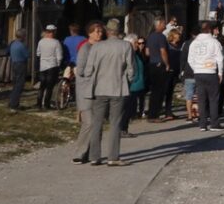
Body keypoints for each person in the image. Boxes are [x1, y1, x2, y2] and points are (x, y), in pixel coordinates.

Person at [72, 22, 132, 166]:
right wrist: (127, 81)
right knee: (111, 123)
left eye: (101, 31)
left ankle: (94, 156)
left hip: (98, 90)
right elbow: (131, 69)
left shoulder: (98, 47)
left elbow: (88, 70)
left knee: (96, 123)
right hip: (111, 89)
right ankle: (110, 157)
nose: (99, 33)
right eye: (96, 31)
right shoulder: (125, 46)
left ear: (107, 31)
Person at [186, 20, 224, 131]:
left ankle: (202, 124)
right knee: (213, 99)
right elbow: (220, 58)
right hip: (210, 71)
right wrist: (220, 72)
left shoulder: (194, 43)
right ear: (209, 29)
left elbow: (190, 59)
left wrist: (196, 69)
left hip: (198, 72)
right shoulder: (214, 42)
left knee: (201, 99)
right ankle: (214, 123)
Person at [143, 20, 173, 119]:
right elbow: (163, 51)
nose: (165, 25)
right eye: (164, 23)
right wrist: (167, 63)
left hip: (152, 64)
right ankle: (154, 115)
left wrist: (153, 56)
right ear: (159, 25)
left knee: (154, 90)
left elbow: (147, 52)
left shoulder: (150, 36)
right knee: (159, 91)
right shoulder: (161, 37)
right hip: (160, 65)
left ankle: (151, 112)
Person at [35, 24, 66, 110]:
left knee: (42, 86)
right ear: (54, 32)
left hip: (43, 66)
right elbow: (59, 56)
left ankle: (38, 104)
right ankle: (46, 104)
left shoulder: (41, 41)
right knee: (49, 86)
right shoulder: (56, 42)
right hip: (52, 66)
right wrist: (59, 65)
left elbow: (38, 53)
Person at [121, 32, 148, 131]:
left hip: (137, 85)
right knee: (128, 109)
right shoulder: (127, 55)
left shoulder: (136, 54)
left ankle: (125, 128)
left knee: (131, 109)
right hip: (130, 86)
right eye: (136, 43)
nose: (138, 45)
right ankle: (123, 129)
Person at [6, 29, 30, 110]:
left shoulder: (12, 43)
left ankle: (11, 102)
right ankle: (14, 104)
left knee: (15, 83)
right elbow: (27, 55)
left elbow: (7, 52)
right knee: (19, 85)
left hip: (14, 63)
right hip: (21, 64)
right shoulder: (21, 45)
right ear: (23, 36)